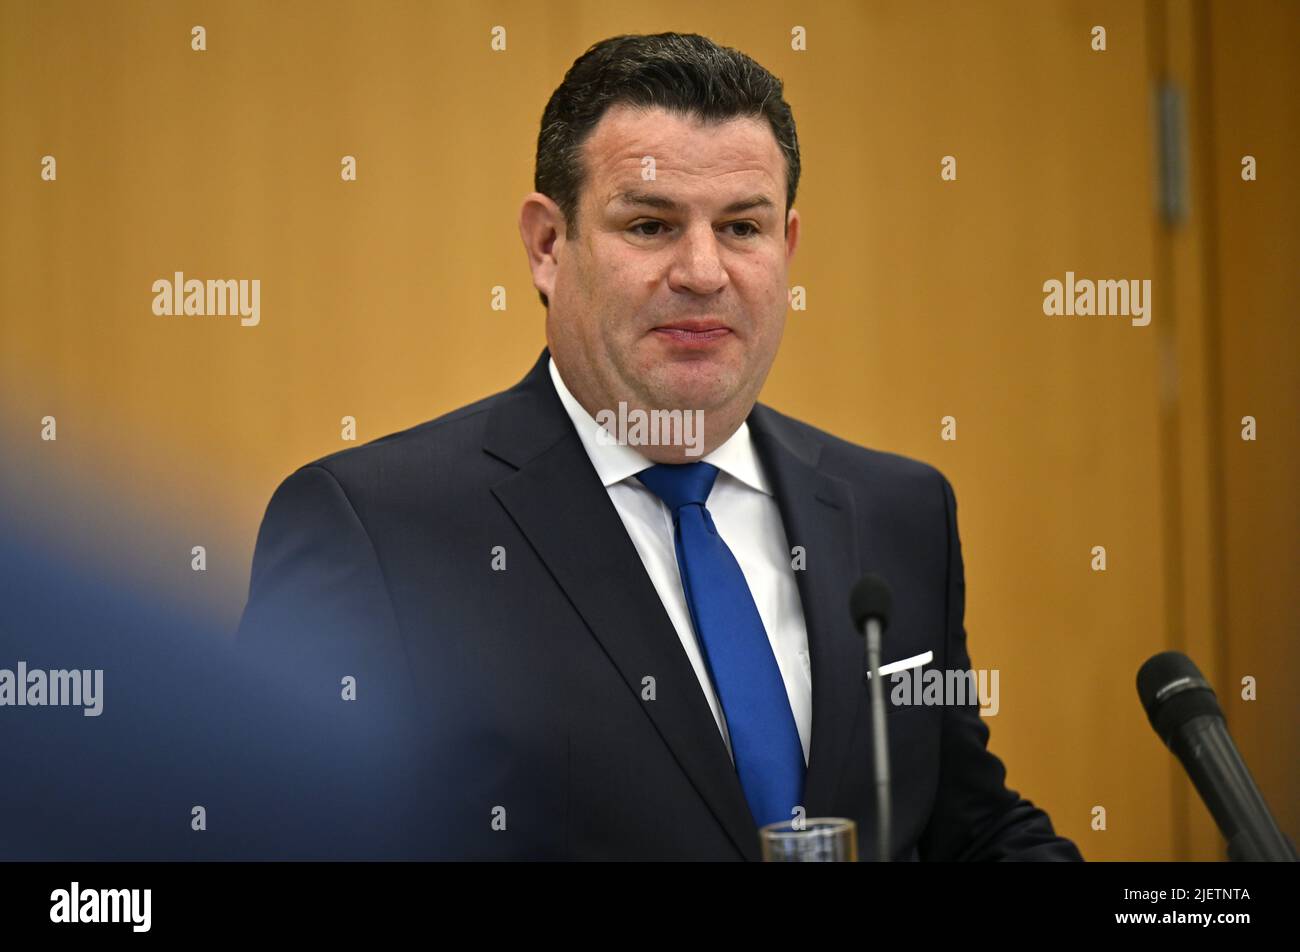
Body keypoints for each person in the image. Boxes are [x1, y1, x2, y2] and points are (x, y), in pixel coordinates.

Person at [236, 31, 1083, 861]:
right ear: (547, 245)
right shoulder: (376, 528)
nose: (704, 272)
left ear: (786, 247)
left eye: (743, 228)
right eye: (649, 225)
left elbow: (965, 826)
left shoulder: (898, 511)